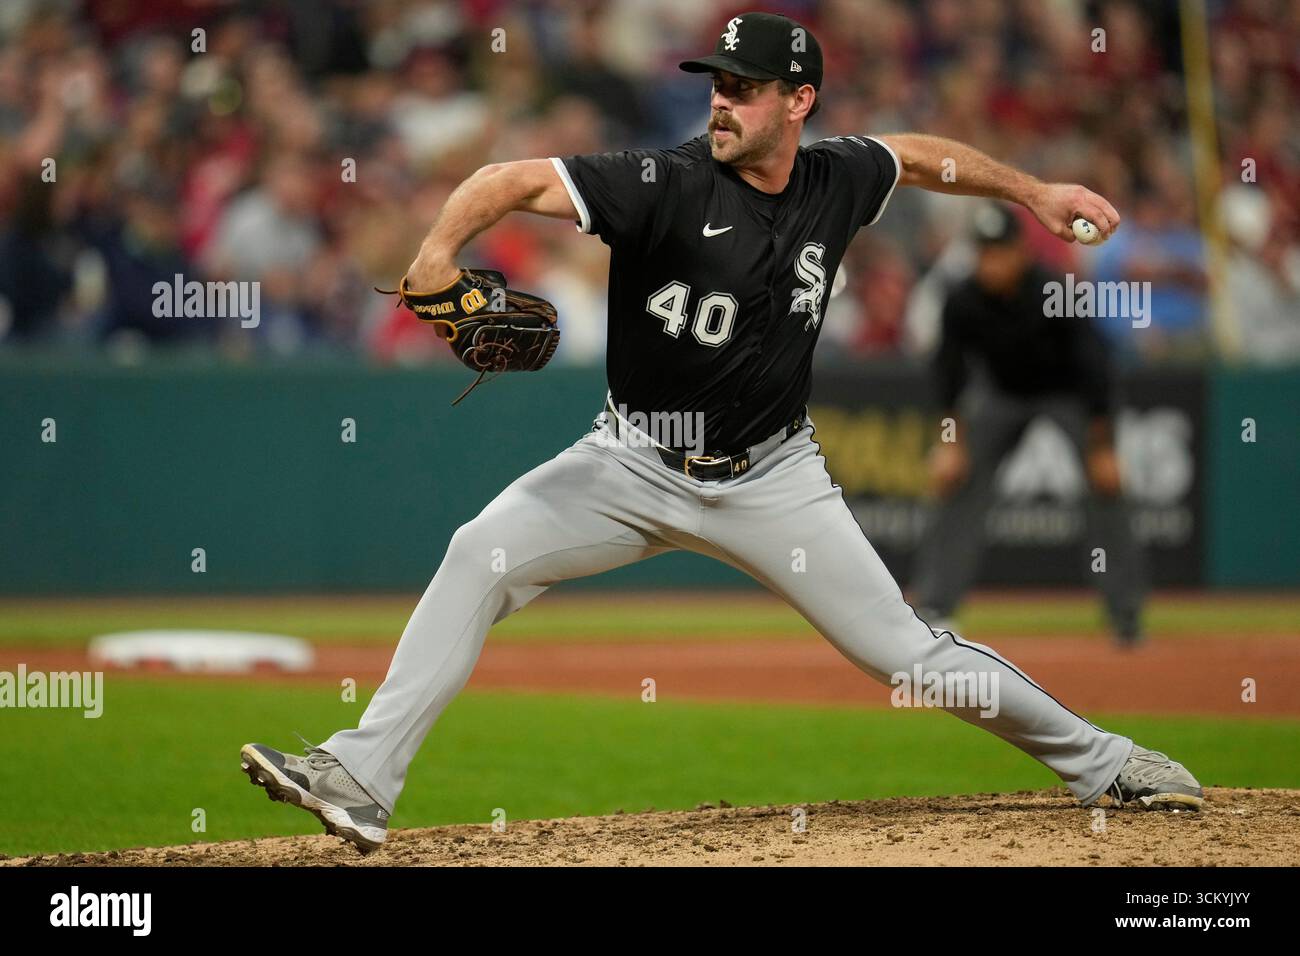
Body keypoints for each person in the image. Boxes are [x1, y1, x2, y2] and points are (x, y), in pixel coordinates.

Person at [240, 12, 1202, 852]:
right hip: (629, 462)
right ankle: (360, 778)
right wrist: (436, 251)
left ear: (800, 102)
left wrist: (1032, 191)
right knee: (477, 553)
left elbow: (912, 153)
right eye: (717, 84)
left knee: (906, 656)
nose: (722, 102)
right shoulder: (659, 182)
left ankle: (1107, 763)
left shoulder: (836, 180)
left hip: (773, 480)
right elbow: (509, 178)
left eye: (745, 89)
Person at [911, 203, 1147, 645]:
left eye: (999, 251)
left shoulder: (1055, 292)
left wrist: (1103, 448)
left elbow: (1096, 368)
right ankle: (937, 608)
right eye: (983, 252)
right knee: (957, 483)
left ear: (1021, 252)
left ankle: (1126, 614)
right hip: (1004, 395)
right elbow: (948, 375)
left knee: (1107, 489)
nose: (991, 262)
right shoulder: (962, 300)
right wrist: (950, 443)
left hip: (1069, 396)